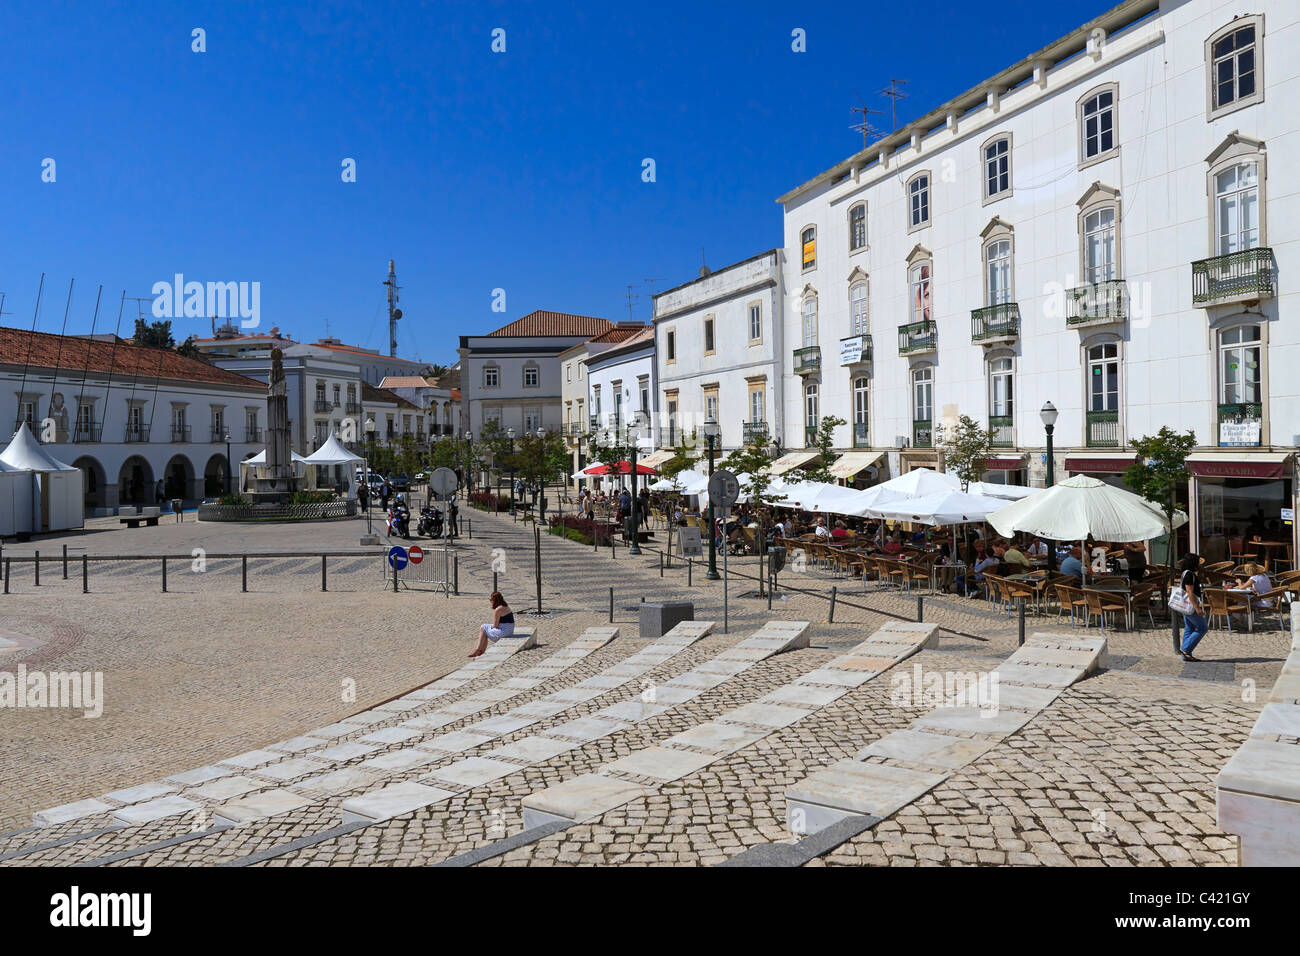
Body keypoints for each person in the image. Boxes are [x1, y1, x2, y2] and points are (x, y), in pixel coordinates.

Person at [1177, 553, 1209, 662]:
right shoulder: (1189, 575)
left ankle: (1186, 655)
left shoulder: (1185, 573)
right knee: (1203, 628)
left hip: (1185, 605)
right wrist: (1197, 608)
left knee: (1189, 628)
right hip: (1190, 605)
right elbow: (1190, 592)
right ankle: (1185, 649)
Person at [470, 591, 515, 657]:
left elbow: (495, 625)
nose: (490, 601)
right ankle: (480, 651)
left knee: (483, 629)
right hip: (509, 630)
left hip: (504, 632)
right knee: (484, 627)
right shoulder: (506, 606)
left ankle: (478, 650)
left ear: (494, 600)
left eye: (491, 599)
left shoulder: (498, 609)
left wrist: (491, 628)